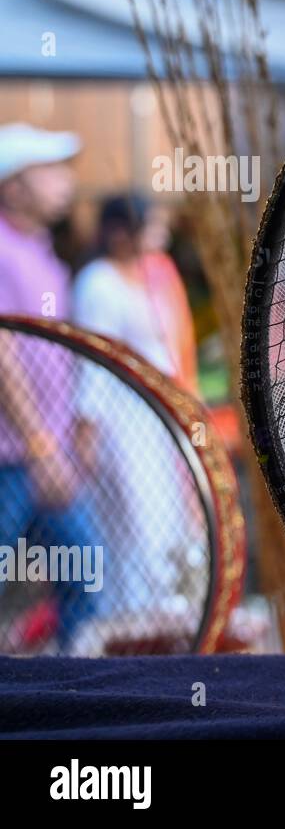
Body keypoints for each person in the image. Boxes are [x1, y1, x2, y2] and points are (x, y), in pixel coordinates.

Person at [73, 194, 198, 623]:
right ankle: (130, 625)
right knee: (133, 526)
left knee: (165, 521)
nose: (161, 234)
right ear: (121, 232)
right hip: (120, 424)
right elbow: (95, 365)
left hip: (156, 420)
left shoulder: (151, 277)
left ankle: (162, 624)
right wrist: (87, 433)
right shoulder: (98, 283)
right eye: (152, 225)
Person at [0, 123, 100, 651]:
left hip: (41, 454)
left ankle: (65, 696)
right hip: (14, 458)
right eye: (49, 170)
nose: (66, 180)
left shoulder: (39, 250)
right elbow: (4, 352)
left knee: (84, 574)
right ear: (13, 187)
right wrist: (41, 445)